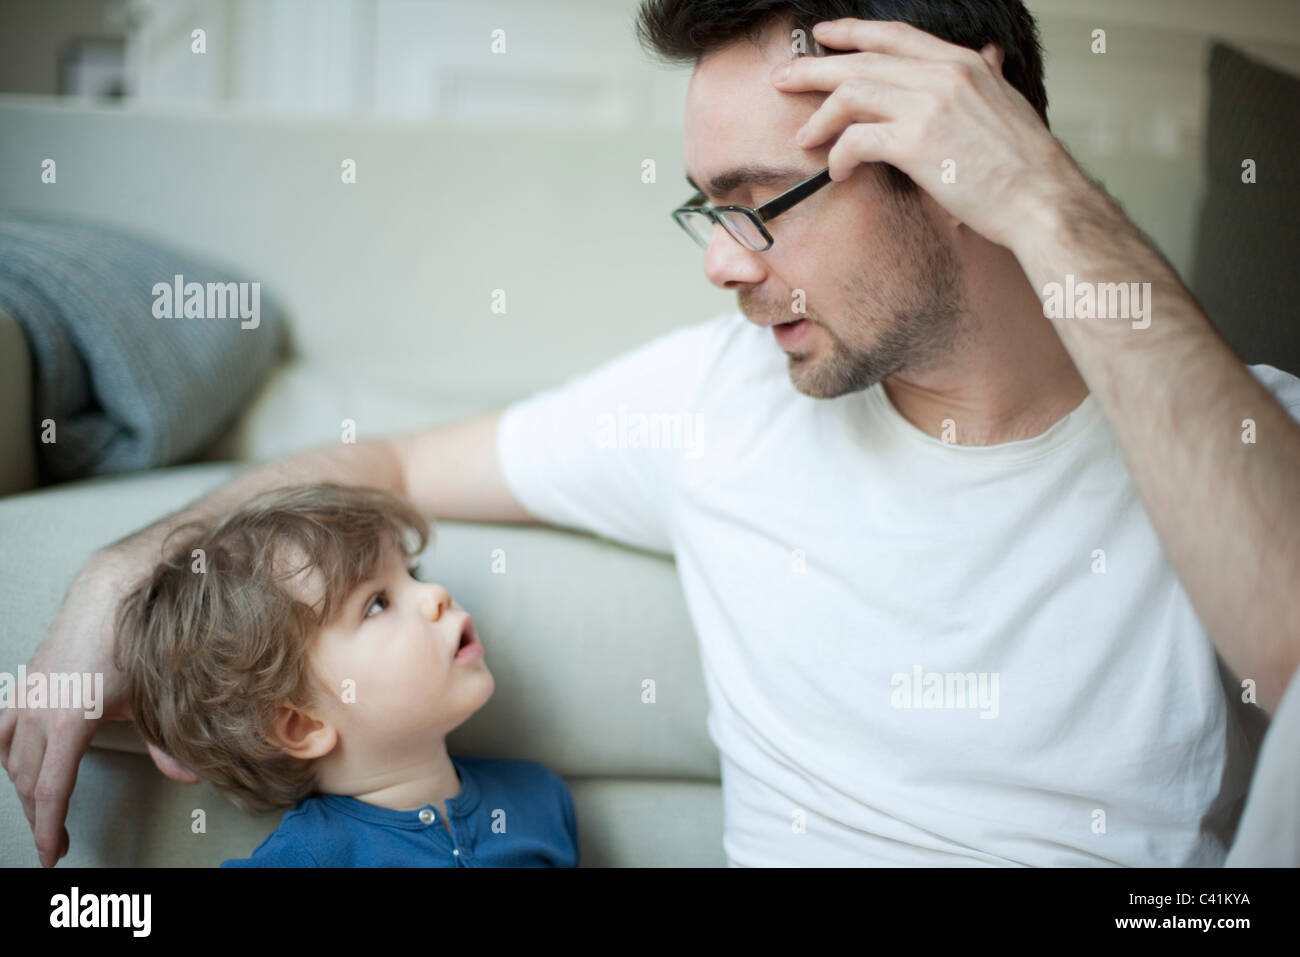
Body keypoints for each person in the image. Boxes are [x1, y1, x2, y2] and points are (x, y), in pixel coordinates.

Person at [4, 0, 1299, 867]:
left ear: (957, 150)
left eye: (761, 204)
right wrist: (120, 571)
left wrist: (1042, 194)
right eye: (708, 211)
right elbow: (388, 466)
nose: (724, 269)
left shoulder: (1242, 435)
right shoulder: (710, 405)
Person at [111, 483, 577, 867]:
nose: (435, 593)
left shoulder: (537, 797)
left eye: (414, 574)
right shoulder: (307, 859)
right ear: (302, 724)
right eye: (377, 603)